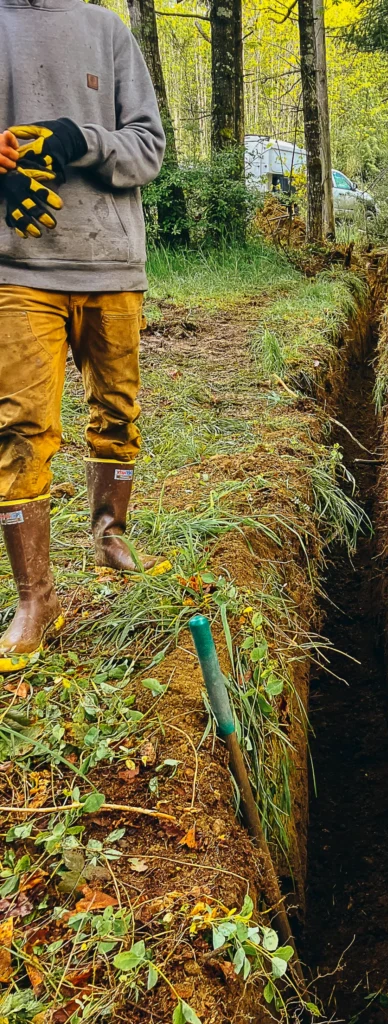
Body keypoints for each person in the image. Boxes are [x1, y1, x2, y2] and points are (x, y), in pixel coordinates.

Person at [0, 0, 167, 669]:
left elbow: (149, 148)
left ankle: (111, 539)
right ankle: (35, 598)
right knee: (19, 430)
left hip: (111, 263)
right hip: (19, 269)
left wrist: (80, 138)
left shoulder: (108, 31)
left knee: (118, 410)